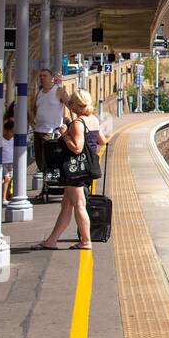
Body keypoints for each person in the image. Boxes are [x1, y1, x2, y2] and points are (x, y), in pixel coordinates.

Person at [37, 90, 107, 250]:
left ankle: (86, 241)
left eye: (71, 103)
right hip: (86, 168)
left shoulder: (78, 123)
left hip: (76, 170)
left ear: (76, 105)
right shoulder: (93, 120)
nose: (70, 106)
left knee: (79, 204)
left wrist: (65, 135)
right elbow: (102, 141)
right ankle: (51, 241)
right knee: (66, 205)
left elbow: (77, 148)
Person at [30, 69, 69, 177]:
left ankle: (54, 183)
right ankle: (45, 187)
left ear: (52, 78)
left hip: (51, 132)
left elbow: (70, 104)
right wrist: (33, 121)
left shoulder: (59, 91)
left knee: (50, 160)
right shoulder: (39, 93)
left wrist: (72, 123)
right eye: (40, 76)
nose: (42, 78)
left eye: (45, 75)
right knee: (40, 161)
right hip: (38, 131)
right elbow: (33, 109)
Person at [1, 117, 15, 202]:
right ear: (6, 130)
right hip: (2, 163)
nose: (12, 134)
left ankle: (8, 194)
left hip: (11, 162)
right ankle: (3, 198)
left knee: (10, 180)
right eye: (11, 132)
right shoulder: (1, 140)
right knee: (7, 179)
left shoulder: (13, 139)